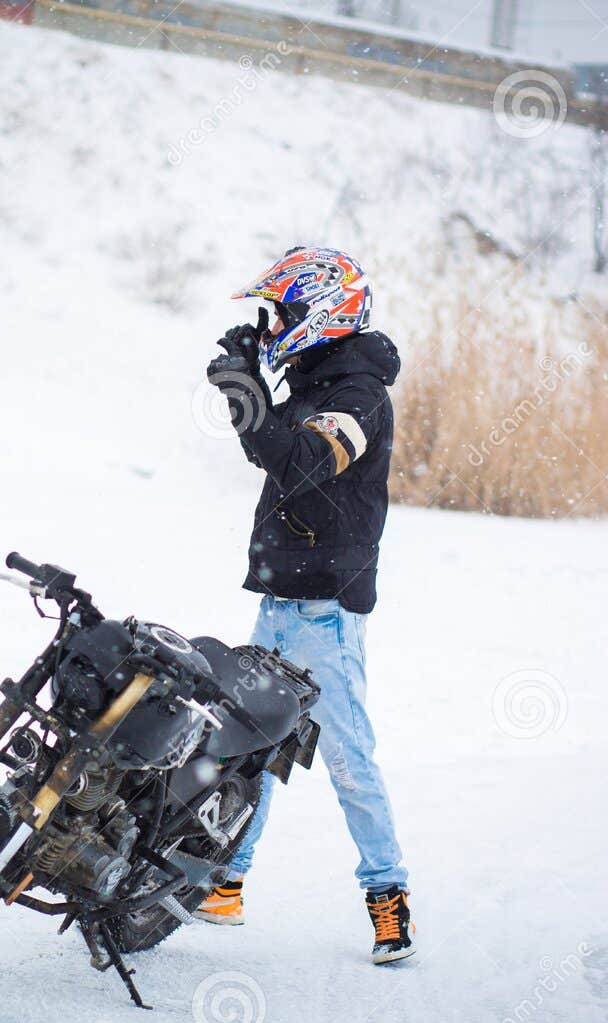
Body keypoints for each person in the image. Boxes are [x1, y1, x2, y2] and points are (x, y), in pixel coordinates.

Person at [196, 245, 415, 963]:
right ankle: (225, 882)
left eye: (285, 312)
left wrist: (243, 386)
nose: (276, 323)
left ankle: (389, 900)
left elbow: (297, 458)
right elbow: (275, 447)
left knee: (349, 759)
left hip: (325, 610)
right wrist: (251, 383)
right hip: (281, 599)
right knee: (251, 744)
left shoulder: (359, 396)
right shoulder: (317, 383)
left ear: (324, 313)